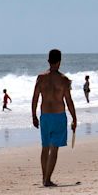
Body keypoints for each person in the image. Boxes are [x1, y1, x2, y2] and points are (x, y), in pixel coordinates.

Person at [31, 49, 77, 186]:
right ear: (60, 62)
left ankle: (44, 178)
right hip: (58, 116)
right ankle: (47, 179)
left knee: (45, 147)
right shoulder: (64, 80)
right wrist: (74, 118)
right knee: (54, 148)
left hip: (45, 116)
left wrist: (34, 116)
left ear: (48, 61)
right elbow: (69, 101)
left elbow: (35, 98)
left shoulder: (41, 78)